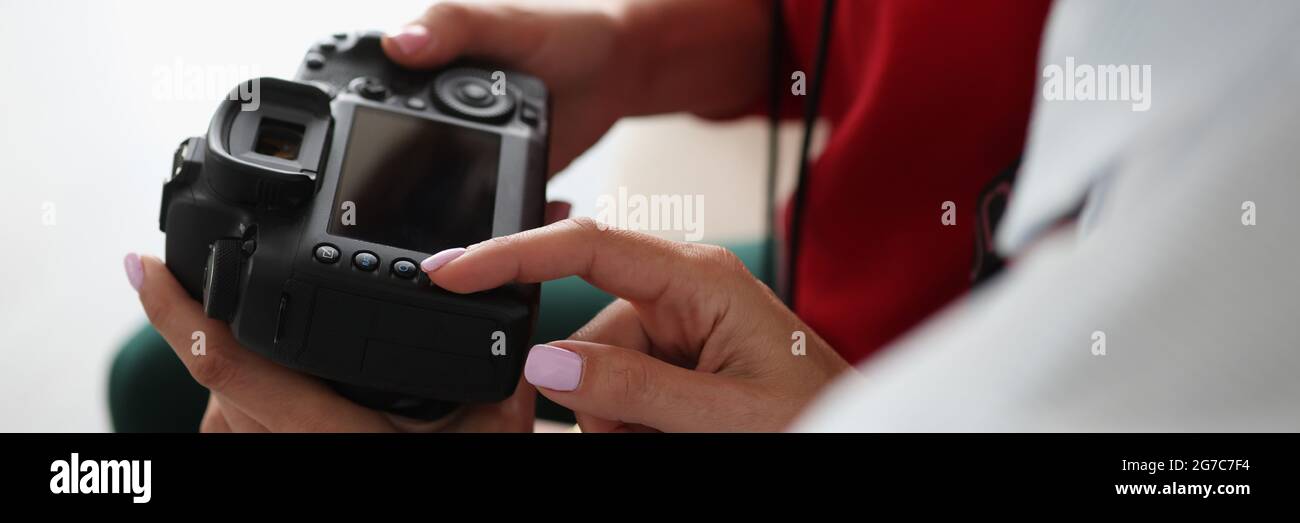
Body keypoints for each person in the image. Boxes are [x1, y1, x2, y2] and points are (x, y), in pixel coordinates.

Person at [115, 0, 1054, 431]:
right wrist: (628, 56)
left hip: (905, 388)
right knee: (159, 371)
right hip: (817, 290)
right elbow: (844, 27)